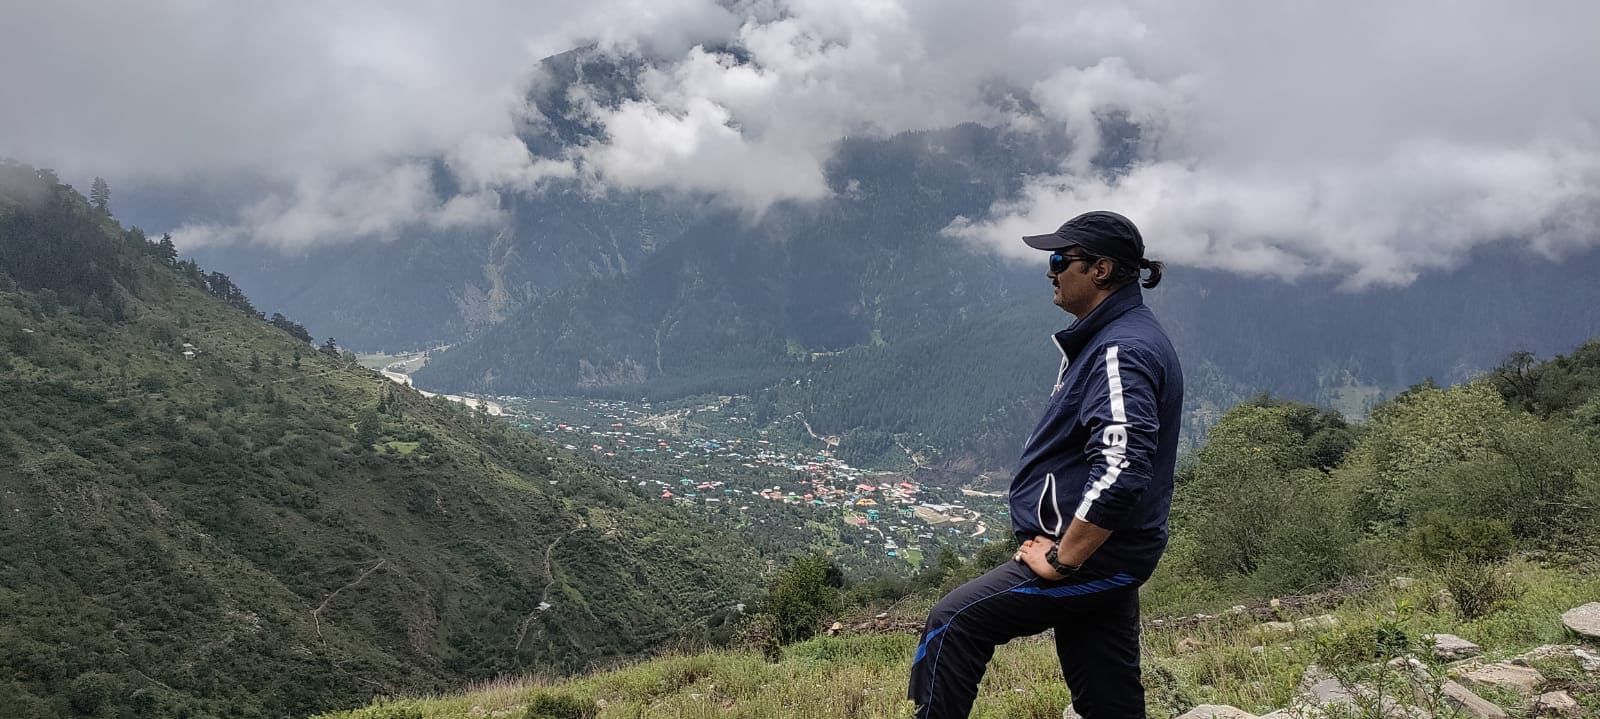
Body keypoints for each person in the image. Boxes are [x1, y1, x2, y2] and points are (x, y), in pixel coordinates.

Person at [907, 211, 1183, 719]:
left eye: (1059, 259)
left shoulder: (1120, 349)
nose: (1050, 271)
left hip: (1098, 553)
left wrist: (1064, 559)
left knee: (954, 621)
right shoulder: (1111, 335)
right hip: (1112, 549)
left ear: (1100, 270)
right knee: (1108, 695)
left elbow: (1123, 466)